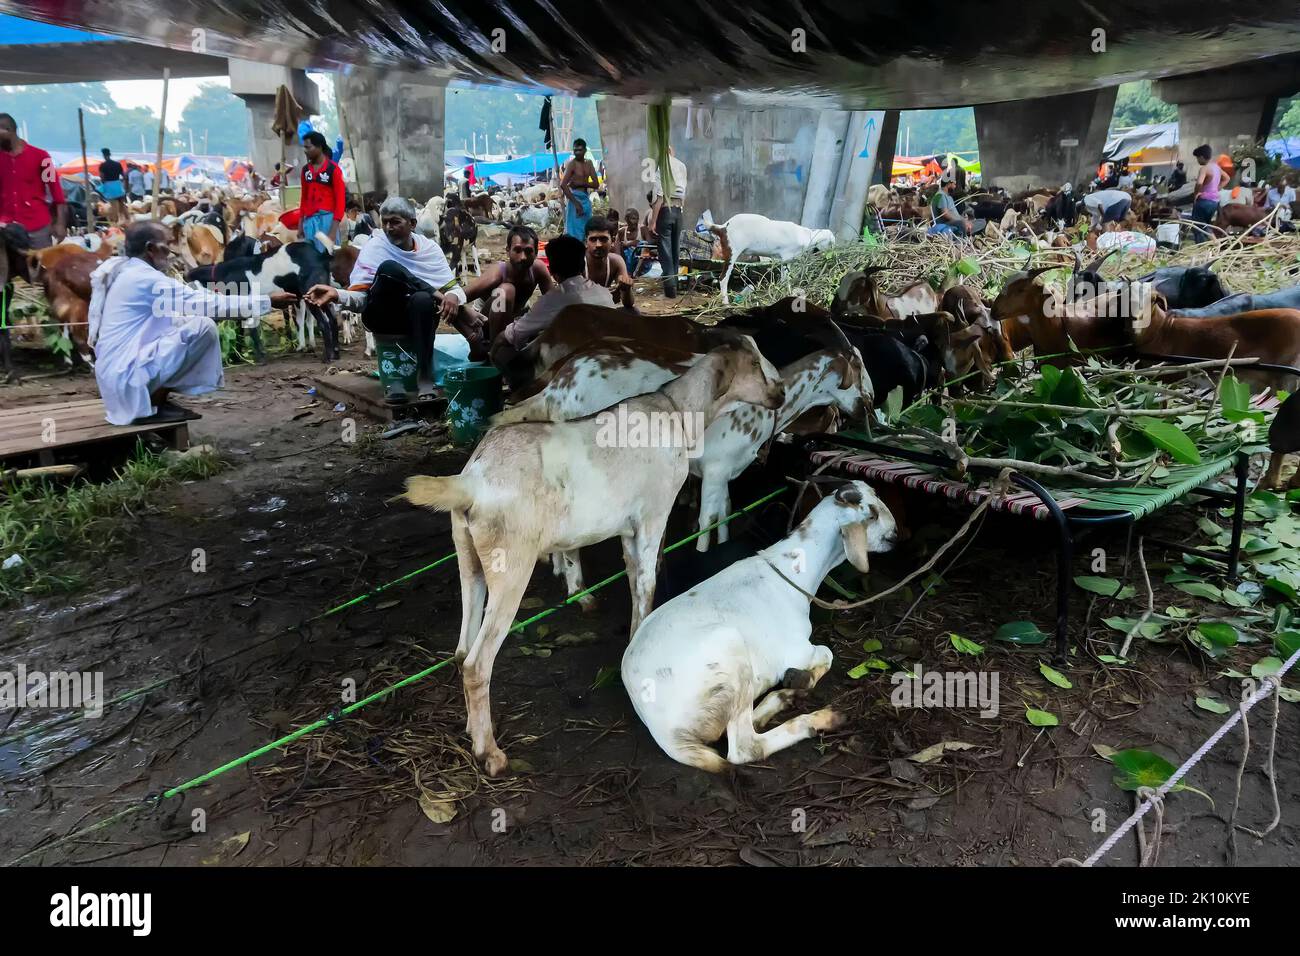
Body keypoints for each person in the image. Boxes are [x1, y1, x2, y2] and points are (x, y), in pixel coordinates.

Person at [88, 221, 297, 425]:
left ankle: (154, 400)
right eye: (166, 246)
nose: (170, 252)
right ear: (150, 249)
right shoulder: (145, 279)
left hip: (116, 374)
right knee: (202, 328)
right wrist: (267, 300)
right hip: (125, 376)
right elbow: (205, 303)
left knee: (187, 322)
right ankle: (151, 402)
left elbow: (191, 306)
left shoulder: (126, 271)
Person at [304, 196, 468, 402]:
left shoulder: (429, 249)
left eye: (395, 222)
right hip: (382, 316)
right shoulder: (376, 247)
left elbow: (455, 289)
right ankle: (393, 380)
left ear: (413, 224)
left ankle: (425, 376)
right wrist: (338, 294)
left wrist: (451, 295)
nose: (389, 228)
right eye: (385, 222)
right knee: (389, 269)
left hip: (418, 318)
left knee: (423, 300)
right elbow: (361, 298)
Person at [488, 234, 614, 389]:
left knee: (503, 351)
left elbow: (510, 335)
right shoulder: (604, 292)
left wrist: (492, 352)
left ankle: (518, 390)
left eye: (528, 251)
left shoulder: (554, 299)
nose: (522, 257)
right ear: (583, 265)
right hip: (606, 361)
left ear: (552, 270)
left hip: (572, 370)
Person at [460, 224, 554, 343]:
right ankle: (495, 349)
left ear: (536, 253)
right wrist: (470, 335)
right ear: (508, 250)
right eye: (517, 250)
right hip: (484, 325)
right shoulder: (497, 273)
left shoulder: (538, 270)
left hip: (513, 323)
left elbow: (554, 304)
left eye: (529, 251)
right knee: (506, 290)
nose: (523, 257)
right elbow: (455, 297)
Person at [0, 113, 66, 248]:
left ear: (9, 130)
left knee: (41, 267)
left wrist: (60, 223)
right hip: (6, 228)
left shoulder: (41, 157)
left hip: (37, 228)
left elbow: (57, 193)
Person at [647, 145, 688, 297]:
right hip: (678, 211)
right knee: (675, 250)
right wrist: (680, 211)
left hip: (665, 210)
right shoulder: (681, 166)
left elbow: (658, 196)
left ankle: (670, 291)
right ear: (672, 152)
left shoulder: (661, 166)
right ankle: (674, 286)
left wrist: (653, 221)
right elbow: (684, 194)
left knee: (665, 252)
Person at [298, 131, 345, 253]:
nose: (305, 150)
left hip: (328, 222)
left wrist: (333, 231)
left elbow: (340, 202)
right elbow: (304, 198)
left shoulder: (333, 170)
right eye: (304, 147)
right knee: (311, 260)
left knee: (329, 260)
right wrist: (300, 224)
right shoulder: (305, 171)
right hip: (309, 223)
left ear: (319, 147)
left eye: (308, 147)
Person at [583, 214, 634, 308]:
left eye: (603, 239)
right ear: (586, 242)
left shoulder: (616, 262)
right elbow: (568, 303)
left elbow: (628, 303)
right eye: (593, 239)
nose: (598, 245)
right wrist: (604, 298)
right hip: (580, 315)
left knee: (633, 312)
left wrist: (626, 289)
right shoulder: (577, 263)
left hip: (603, 312)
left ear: (613, 241)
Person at [560, 138, 598, 239]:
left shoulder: (589, 163)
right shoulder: (572, 164)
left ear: (585, 150)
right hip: (574, 199)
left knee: (587, 231)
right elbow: (563, 185)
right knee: (573, 234)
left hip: (585, 199)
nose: (577, 152)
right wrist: (576, 203)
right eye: (575, 150)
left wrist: (583, 183)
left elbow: (596, 184)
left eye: (580, 150)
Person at [1191, 144, 1224, 242]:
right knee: (1206, 225)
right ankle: (1211, 246)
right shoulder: (1217, 168)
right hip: (1215, 202)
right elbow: (1227, 178)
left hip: (1204, 201)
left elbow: (1199, 183)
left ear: (1201, 157)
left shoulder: (1204, 168)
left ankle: (1212, 244)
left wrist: (1196, 193)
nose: (1197, 161)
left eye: (1197, 158)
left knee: (1197, 226)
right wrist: (1216, 189)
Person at [98, 148, 127, 221]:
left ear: (103, 155)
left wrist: (104, 185)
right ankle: (127, 219)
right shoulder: (117, 164)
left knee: (114, 206)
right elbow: (124, 176)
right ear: (110, 154)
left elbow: (102, 177)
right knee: (122, 205)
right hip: (118, 186)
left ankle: (115, 223)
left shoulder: (103, 165)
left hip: (109, 186)